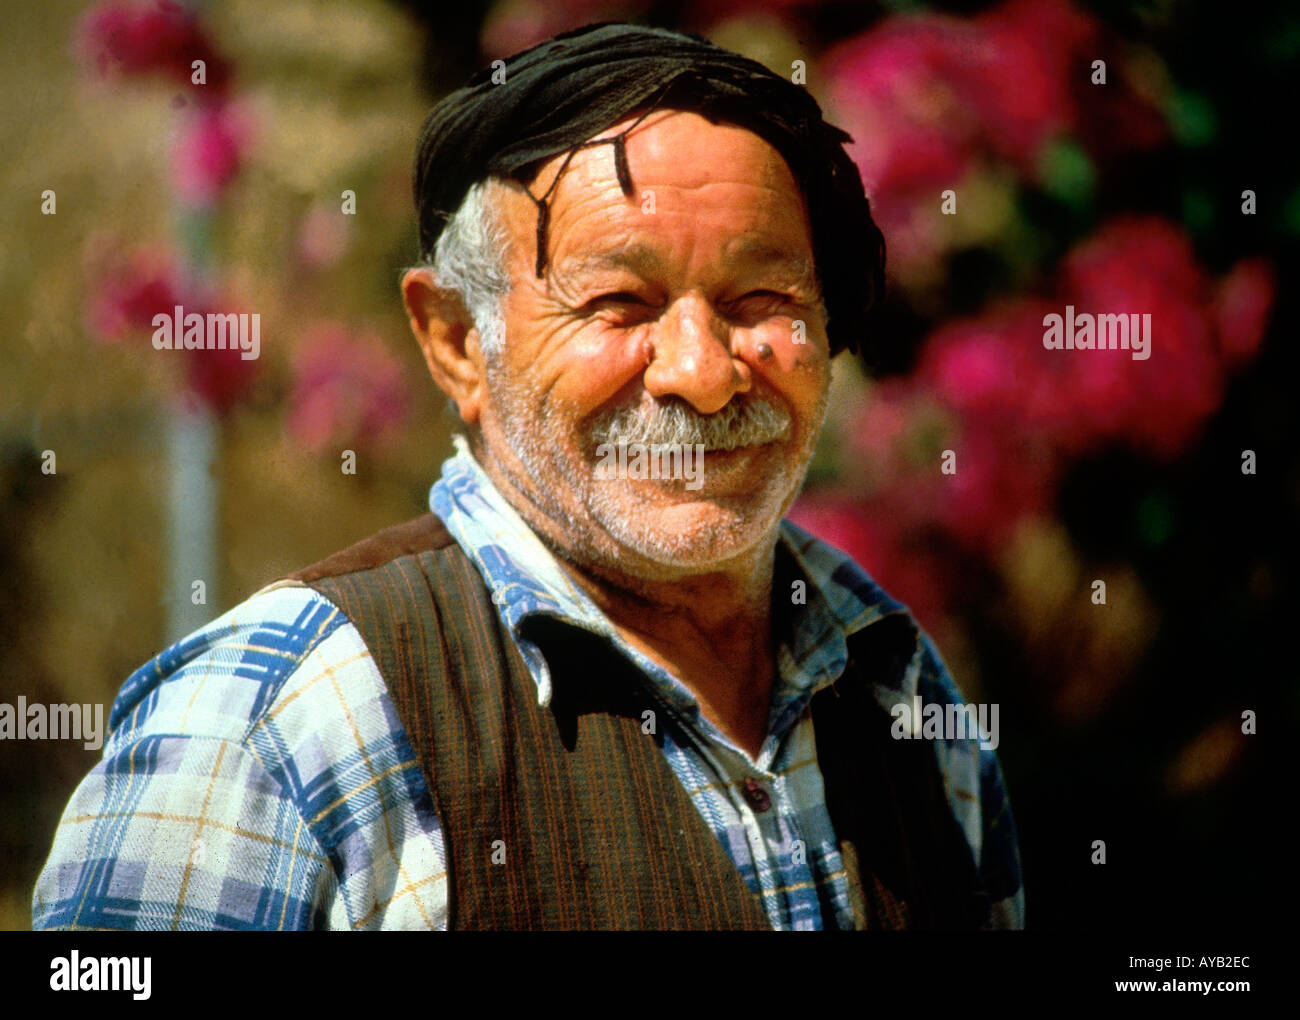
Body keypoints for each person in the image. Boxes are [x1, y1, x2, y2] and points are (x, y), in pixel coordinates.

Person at [33, 23, 1023, 930]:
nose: (703, 373)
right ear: (459, 341)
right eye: (618, 303)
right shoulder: (273, 724)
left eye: (760, 297)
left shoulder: (892, 680)